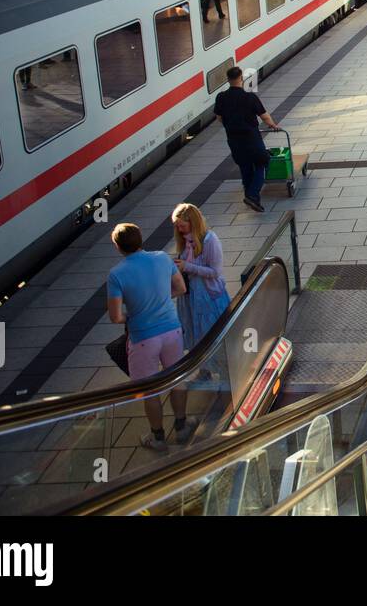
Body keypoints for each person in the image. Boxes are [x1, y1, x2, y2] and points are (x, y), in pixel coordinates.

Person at [106, 222, 192, 451]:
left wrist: (133, 314)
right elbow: (181, 289)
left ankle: (158, 437)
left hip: (143, 338)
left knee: (149, 389)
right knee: (177, 380)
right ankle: (182, 427)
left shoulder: (116, 275)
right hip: (172, 331)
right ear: (140, 239)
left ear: (117, 246)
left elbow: (115, 317)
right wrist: (162, 299)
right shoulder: (163, 258)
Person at [213, 66, 281, 212]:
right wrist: (273, 125)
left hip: (233, 139)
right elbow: (264, 116)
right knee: (263, 162)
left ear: (228, 80)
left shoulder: (221, 97)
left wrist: (230, 124)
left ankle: (250, 196)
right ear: (241, 79)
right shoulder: (249, 97)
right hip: (251, 138)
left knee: (244, 165)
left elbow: (219, 117)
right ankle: (252, 194)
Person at [171, 203, 229, 351]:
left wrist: (187, 266)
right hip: (190, 298)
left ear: (193, 223)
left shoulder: (210, 240)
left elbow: (215, 272)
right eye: (177, 226)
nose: (179, 230)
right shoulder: (184, 240)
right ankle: (205, 370)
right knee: (196, 337)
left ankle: (219, 371)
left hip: (208, 297)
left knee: (212, 338)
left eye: (182, 226)